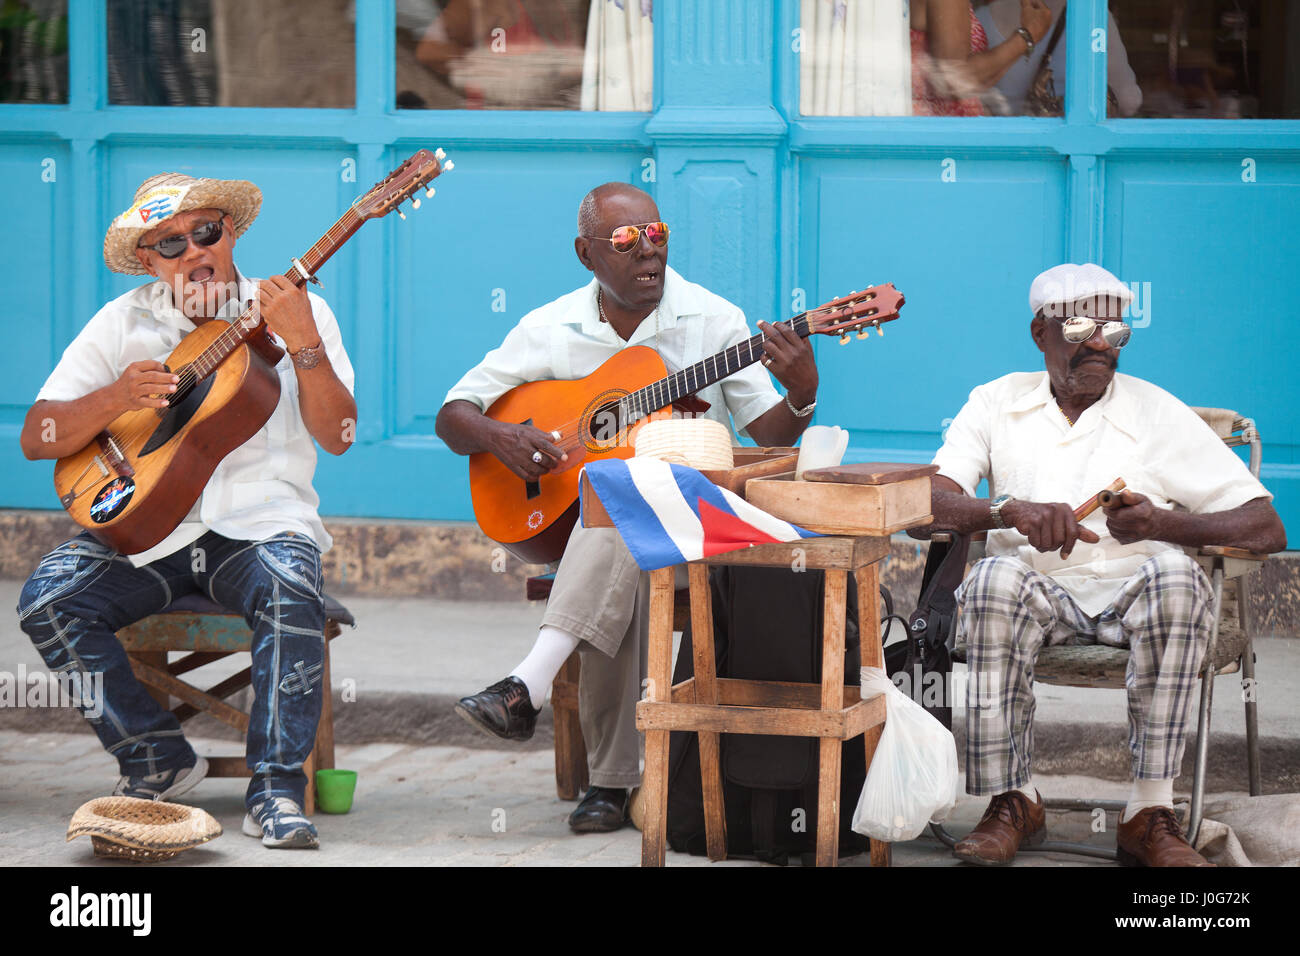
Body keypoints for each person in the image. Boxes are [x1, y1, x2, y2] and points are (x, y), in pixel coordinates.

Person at [438, 182, 820, 832]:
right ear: (586, 253)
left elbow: (771, 439)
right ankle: (609, 771)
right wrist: (503, 436)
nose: (648, 251)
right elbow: (453, 417)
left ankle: (581, 750)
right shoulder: (549, 327)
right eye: (625, 240)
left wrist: (804, 388)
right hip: (584, 523)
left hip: (707, 523)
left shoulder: (713, 322)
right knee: (619, 507)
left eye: (657, 235)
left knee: (625, 496)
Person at [17, 172, 357, 849]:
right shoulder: (121, 322)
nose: (194, 252)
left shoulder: (294, 311)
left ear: (232, 233)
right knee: (47, 599)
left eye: (207, 232)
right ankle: (156, 758)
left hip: (261, 528)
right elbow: (38, 438)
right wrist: (114, 399)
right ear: (148, 262)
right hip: (146, 532)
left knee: (293, 588)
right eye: (170, 244)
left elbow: (338, 437)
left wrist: (304, 345)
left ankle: (277, 790)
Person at [929, 262, 1285, 867]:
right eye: (1079, 330)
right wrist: (1006, 510)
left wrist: (1165, 525)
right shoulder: (995, 401)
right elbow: (930, 502)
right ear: (1039, 333)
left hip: (1136, 595)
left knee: (1179, 577)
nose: (1100, 347)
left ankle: (1149, 812)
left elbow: (1266, 527)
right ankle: (1014, 801)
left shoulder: (1157, 411)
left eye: (1114, 334)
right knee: (990, 578)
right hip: (1035, 594)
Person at [977, 0, 1143, 116]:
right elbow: (1128, 102)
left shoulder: (982, 18)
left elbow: (963, 87)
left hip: (1001, 148)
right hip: (1062, 150)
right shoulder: (1094, 16)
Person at [909, 0, 1052, 115]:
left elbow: (978, 81)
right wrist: (1028, 35)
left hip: (941, 132)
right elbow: (955, 78)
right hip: (942, 137)